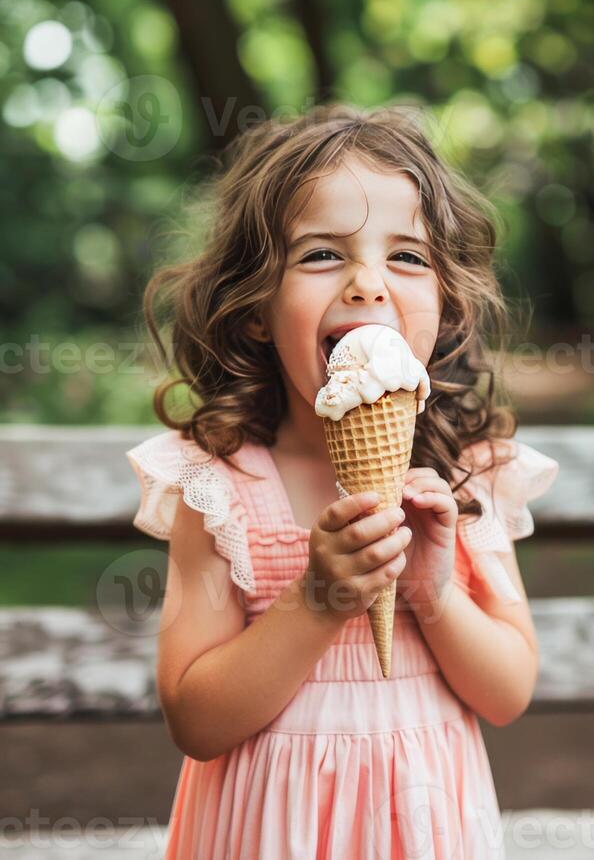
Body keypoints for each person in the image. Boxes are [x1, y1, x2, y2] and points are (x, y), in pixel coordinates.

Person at [126, 103, 560, 859]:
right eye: (322, 255)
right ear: (258, 308)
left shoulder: (466, 476)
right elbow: (196, 722)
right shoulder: (219, 485)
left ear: (446, 304)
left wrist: (433, 593)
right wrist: (316, 601)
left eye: (408, 257)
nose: (366, 283)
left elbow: (507, 690)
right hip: (271, 833)